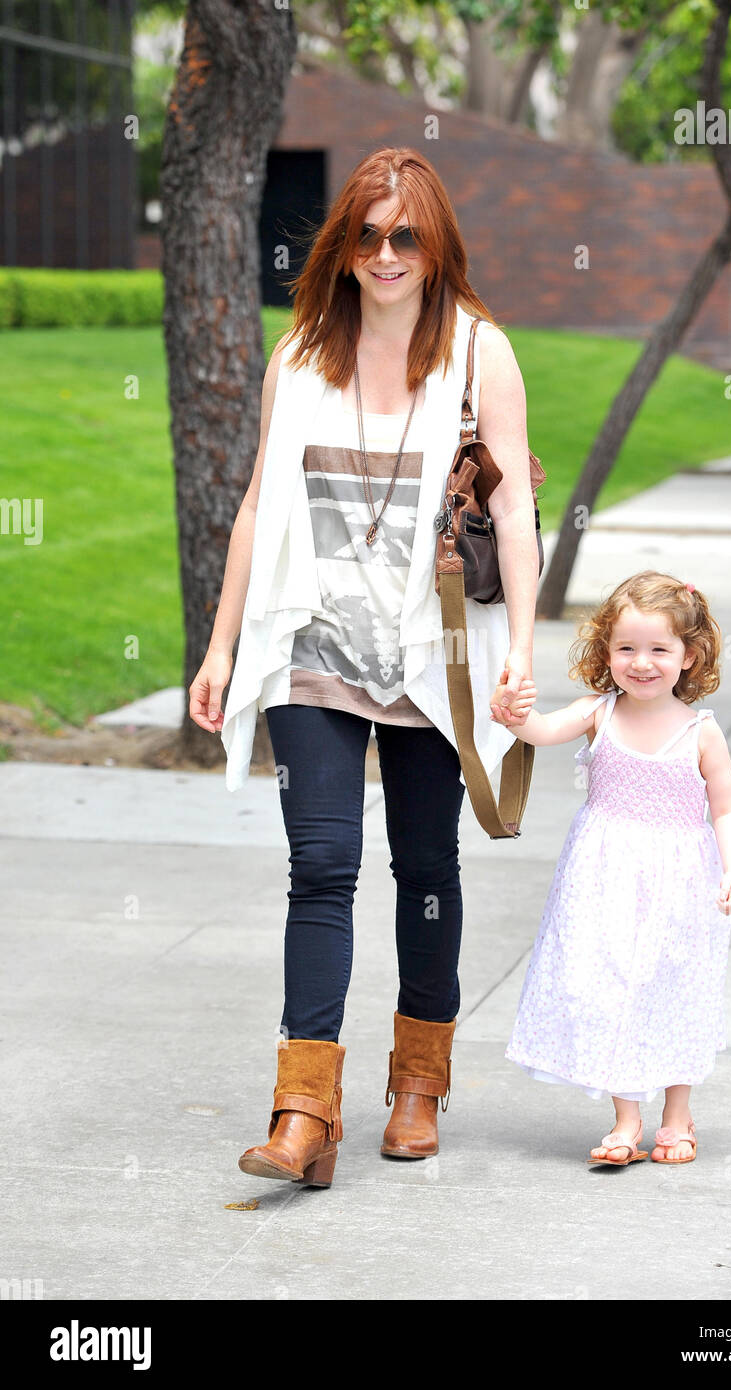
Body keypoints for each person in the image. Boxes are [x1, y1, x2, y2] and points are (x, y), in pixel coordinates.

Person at [188, 147, 540, 1187]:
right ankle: (304, 1111)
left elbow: (512, 505)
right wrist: (218, 646)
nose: (385, 256)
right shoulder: (296, 354)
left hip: (429, 656)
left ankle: (419, 1082)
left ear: (435, 249)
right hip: (310, 642)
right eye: (367, 236)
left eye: (406, 237)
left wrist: (520, 643)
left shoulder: (480, 354)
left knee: (424, 868)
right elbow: (256, 504)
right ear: (341, 248)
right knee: (322, 865)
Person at [490, 570, 731, 1167]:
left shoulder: (701, 733)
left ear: (690, 656)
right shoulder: (598, 713)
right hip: (602, 878)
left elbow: (727, 808)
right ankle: (626, 1118)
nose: (642, 662)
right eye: (626, 647)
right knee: (609, 987)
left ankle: (677, 1114)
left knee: (672, 988)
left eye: (659, 649)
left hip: (681, 878)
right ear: (606, 650)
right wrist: (512, 713)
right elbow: (541, 729)